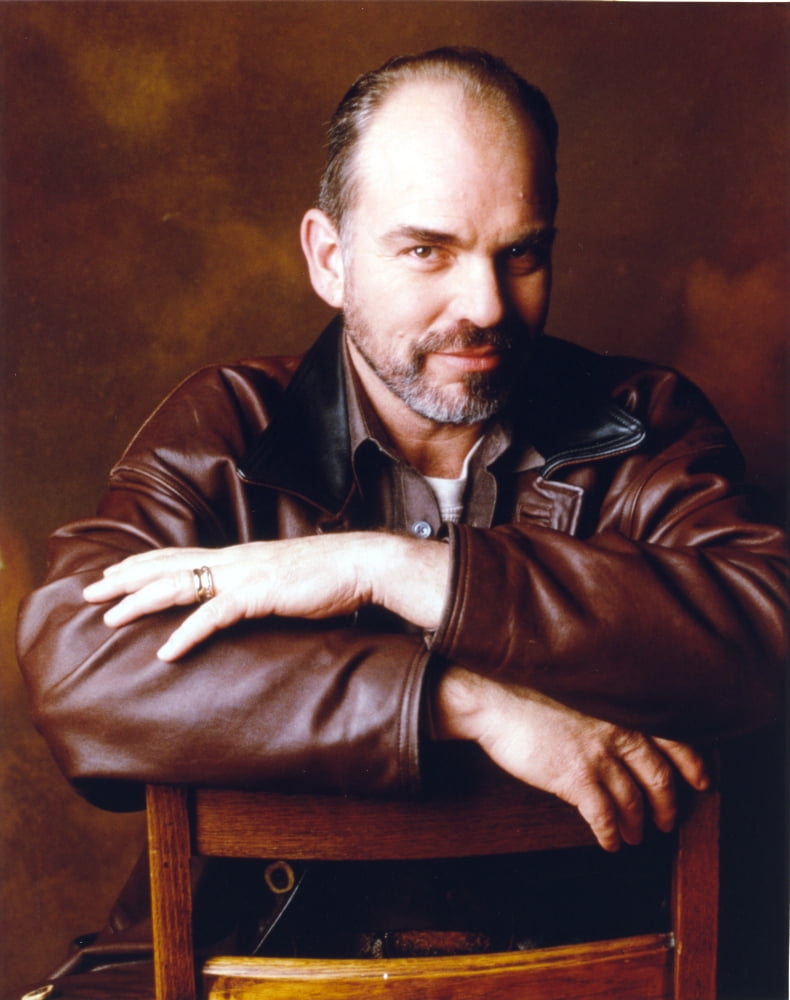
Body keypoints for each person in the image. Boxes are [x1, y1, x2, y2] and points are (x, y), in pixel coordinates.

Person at [16, 46, 786, 994]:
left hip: (572, 968)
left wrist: (397, 569)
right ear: (330, 259)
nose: (486, 305)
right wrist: (458, 701)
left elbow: (765, 631)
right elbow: (79, 655)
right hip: (255, 952)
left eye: (522, 253)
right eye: (427, 250)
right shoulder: (229, 428)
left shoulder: (645, 422)